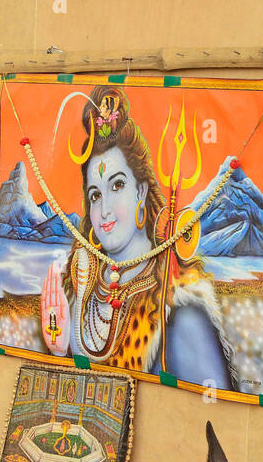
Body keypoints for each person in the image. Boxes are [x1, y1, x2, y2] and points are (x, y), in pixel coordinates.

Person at [41, 85, 234, 389]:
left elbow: (209, 420)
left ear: (141, 191)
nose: (104, 210)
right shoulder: (78, 286)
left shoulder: (179, 311)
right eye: (94, 195)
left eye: (117, 186)